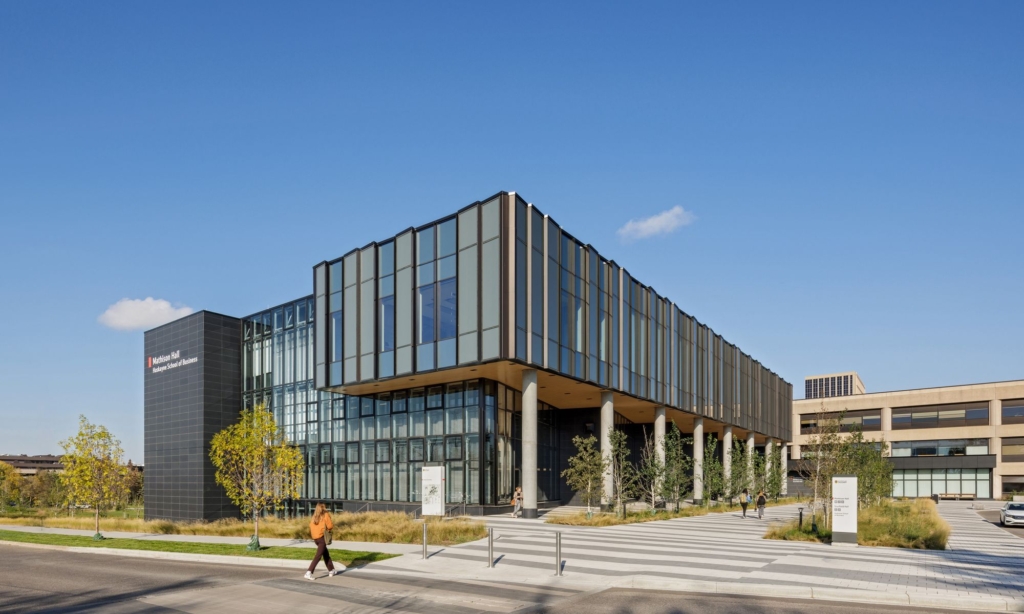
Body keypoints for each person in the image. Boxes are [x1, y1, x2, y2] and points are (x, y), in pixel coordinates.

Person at [305, 503, 339, 580]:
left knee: (325, 554)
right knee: (318, 556)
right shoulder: (325, 515)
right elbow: (330, 526)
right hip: (322, 538)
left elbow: (311, 526)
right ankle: (309, 572)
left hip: (315, 539)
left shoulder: (314, 516)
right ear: (324, 508)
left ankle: (331, 570)